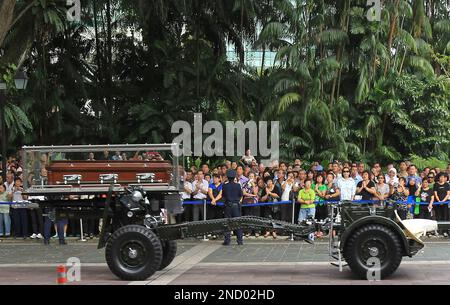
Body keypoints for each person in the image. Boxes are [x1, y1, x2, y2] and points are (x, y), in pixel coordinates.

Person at [221, 169, 243, 246]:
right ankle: (240, 240)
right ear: (234, 177)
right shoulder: (238, 185)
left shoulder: (225, 186)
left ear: (227, 177)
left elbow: (223, 196)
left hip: (228, 206)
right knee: (238, 223)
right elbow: (241, 194)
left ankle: (227, 240)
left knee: (227, 223)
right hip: (236, 206)